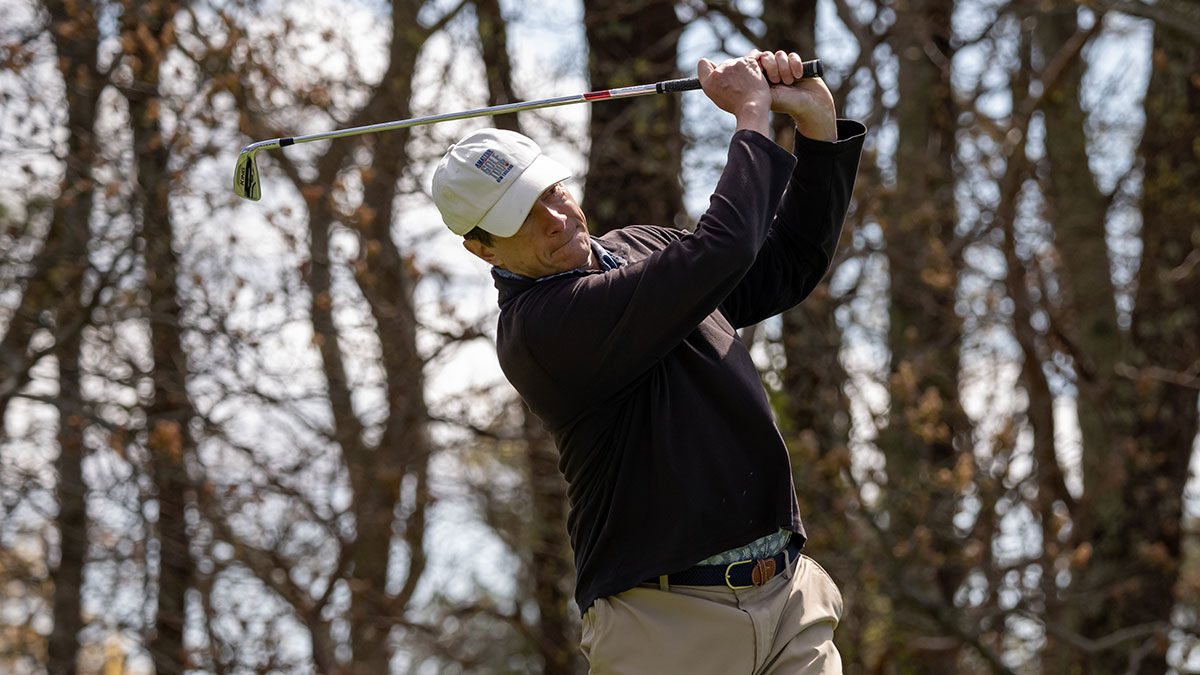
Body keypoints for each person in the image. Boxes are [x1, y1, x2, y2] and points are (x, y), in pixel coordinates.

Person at [432, 49, 866, 675]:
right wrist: (751, 113)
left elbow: (781, 267)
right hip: (664, 627)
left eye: (548, 192)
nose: (554, 219)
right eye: (520, 216)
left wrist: (817, 131)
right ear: (482, 249)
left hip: (787, 598)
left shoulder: (640, 246)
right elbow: (722, 250)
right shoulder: (539, 331)